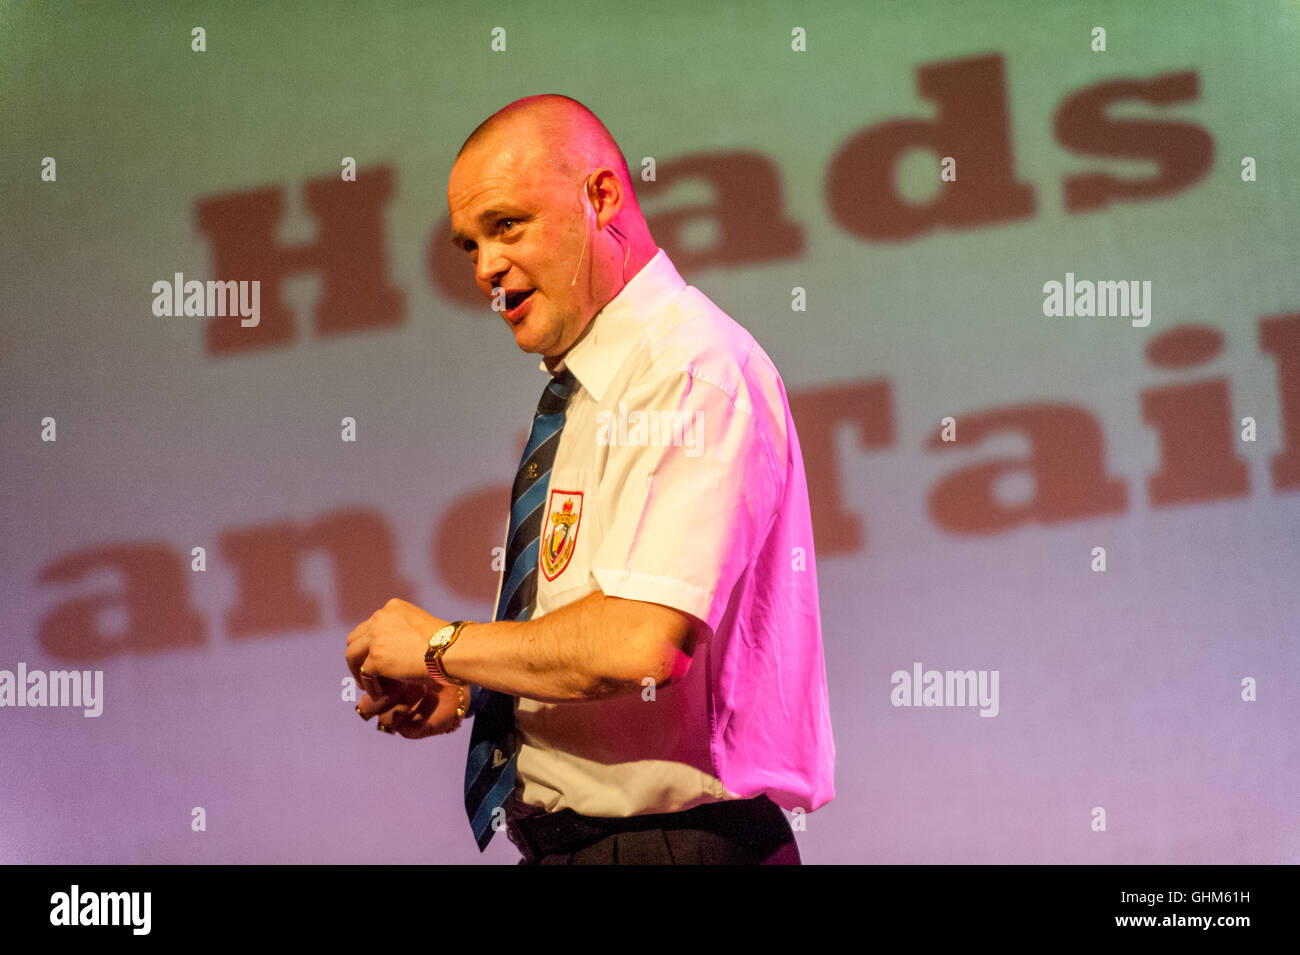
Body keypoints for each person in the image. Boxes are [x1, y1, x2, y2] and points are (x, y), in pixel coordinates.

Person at [346, 94, 834, 864]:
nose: (485, 269)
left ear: (601, 197)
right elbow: (598, 633)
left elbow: (641, 643)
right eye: (468, 246)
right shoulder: (589, 388)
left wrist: (441, 644)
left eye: (507, 226)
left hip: (671, 849)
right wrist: (479, 685)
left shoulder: (692, 371)